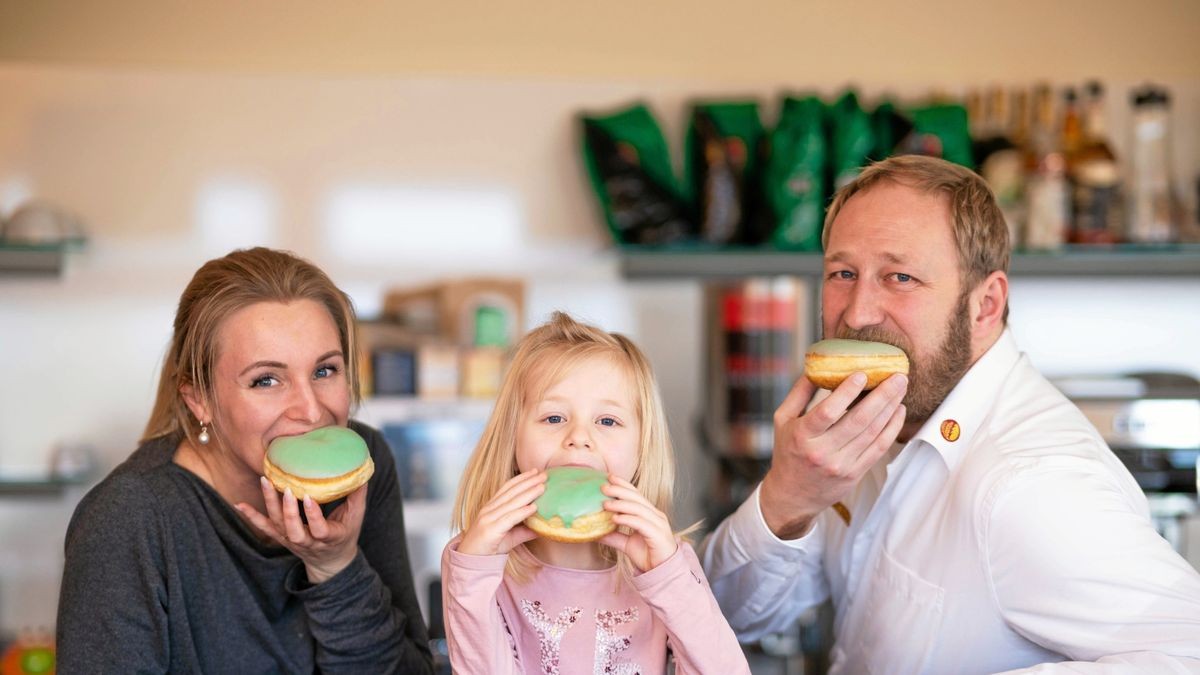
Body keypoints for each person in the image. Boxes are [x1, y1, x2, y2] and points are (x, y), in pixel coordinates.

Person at [699, 155, 1200, 673]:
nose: (857, 313)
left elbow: (1187, 654)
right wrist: (787, 500)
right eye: (843, 273)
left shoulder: (1030, 483)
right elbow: (725, 618)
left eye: (901, 277)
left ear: (984, 305)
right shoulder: (867, 430)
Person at [56, 247, 435, 673]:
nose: (310, 410)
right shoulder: (129, 519)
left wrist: (335, 568)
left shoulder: (363, 467)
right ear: (199, 399)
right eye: (266, 380)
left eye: (325, 370)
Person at [441, 312, 749, 674]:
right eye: (553, 418)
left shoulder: (664, 565)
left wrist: (669, 577)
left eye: (607, 421)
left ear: (641, 451)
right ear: (512, 440)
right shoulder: (476, 563)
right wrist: (472, 569)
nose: (579, 437)